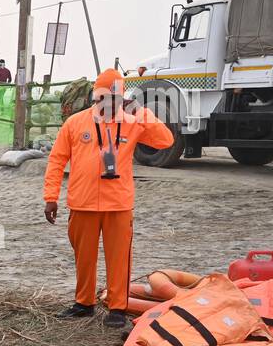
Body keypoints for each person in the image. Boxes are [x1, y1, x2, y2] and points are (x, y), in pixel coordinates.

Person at [44, 68, 176, 328]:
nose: (104, 104)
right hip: (81, 203)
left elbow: (165, 141)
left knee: (119, 258)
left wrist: (142, 112)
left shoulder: (133, 121)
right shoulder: (75, 123)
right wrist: (50, 196)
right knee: (84, 256)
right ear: (95, 97)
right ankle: (83, 303)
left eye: (111, 99)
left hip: (118, 204)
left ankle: (118, 307)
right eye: (99, 98)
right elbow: (57, 160)